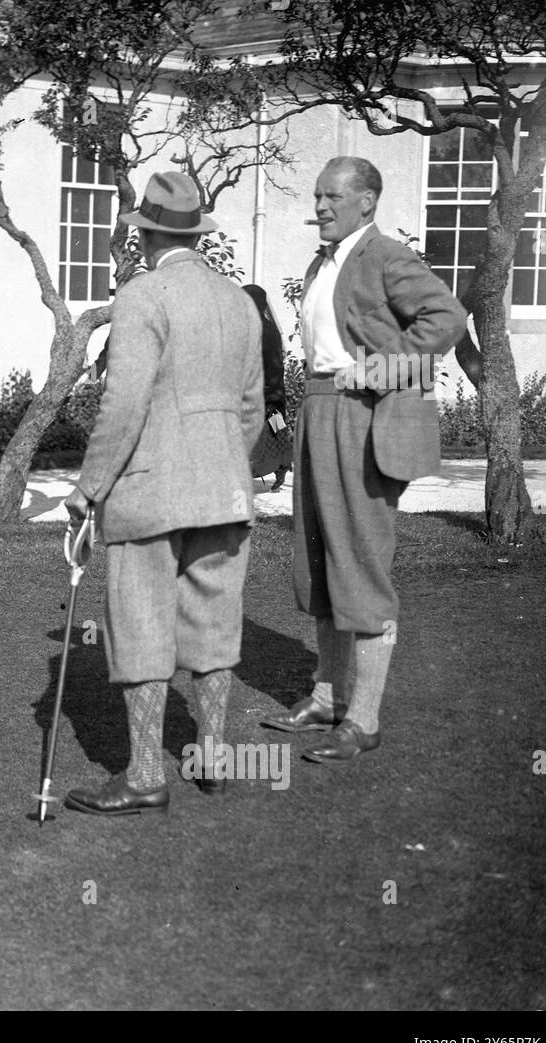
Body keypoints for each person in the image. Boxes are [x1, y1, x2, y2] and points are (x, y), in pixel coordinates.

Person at [61, 171, 263, 815]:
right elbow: (252, 409)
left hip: (148, 495)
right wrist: (221, 463)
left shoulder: (141, 296)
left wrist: (89, 489)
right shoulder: (238, 300)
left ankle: (146, 774)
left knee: (144, 627)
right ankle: (211, 756)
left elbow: (123, 404)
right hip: (225, 489)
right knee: (213, 621)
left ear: (143, 233)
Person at [261, 156, 466, 763]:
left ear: (367, 202)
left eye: (331, 197)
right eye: (317, 195)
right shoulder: (324, 259)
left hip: (362, 416)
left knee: (361, 562)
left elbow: (447, 318)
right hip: (318, 410)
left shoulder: (386, 256)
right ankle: (326, 697)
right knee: (318, 559)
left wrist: (379, 368)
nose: (319, 206)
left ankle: (364, 718)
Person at [243, 283, 292, 491]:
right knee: (275, 434)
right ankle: (280, 470)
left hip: (259, 393)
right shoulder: (271, 328)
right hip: (274, 391)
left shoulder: (254, 330)